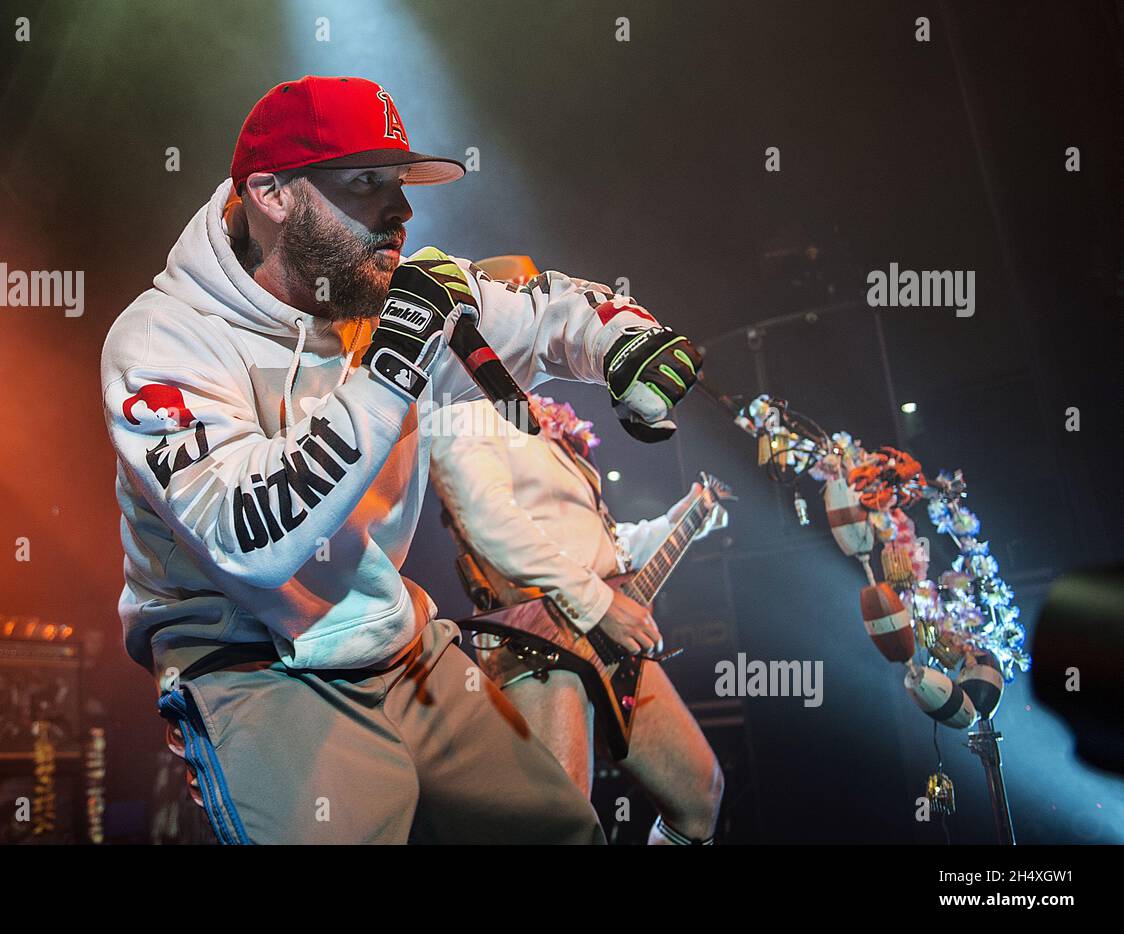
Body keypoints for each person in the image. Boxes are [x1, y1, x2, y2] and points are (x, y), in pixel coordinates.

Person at [100, 75, 702, 843]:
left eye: (400, 183)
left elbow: (541, 311)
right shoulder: (161, 341)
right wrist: (392, 366)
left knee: (562, 832)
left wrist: (624, 340)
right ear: (272, 193)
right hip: (248, 661)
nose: (401, 211)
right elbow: (247, 539)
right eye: (365, 184)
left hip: (397, 638)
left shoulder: (378, 298)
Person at [430, 349, 726, 843]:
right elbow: (490, 523)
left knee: (700, 795)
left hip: (599, 626)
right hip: (538, 640)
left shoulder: (540, 423)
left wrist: (674, 525)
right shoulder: (460, 404)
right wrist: (600, 603)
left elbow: (594, 546)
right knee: (559, 828)